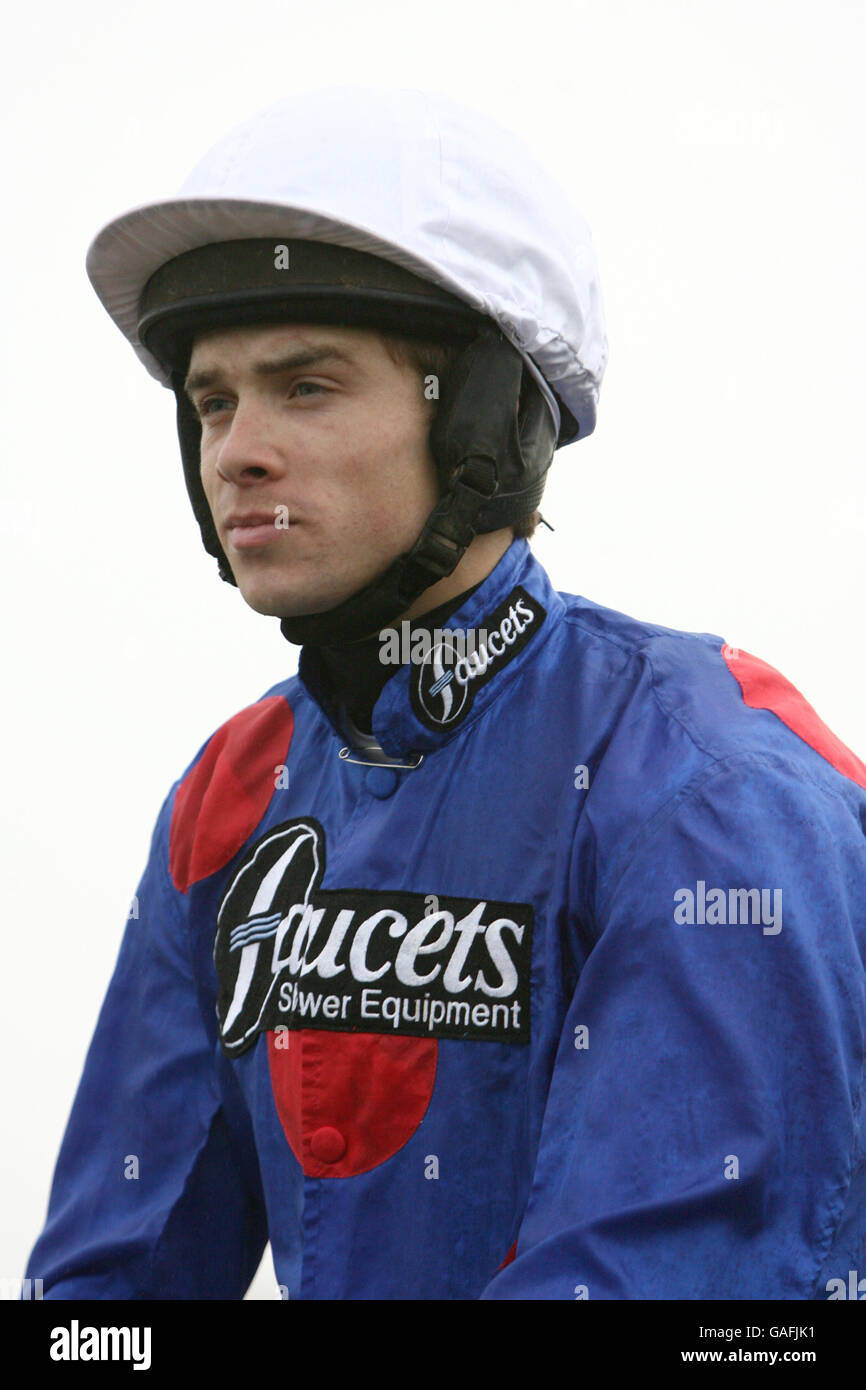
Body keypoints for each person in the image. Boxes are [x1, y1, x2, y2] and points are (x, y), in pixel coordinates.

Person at [26, 86, 866, 1301]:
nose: (236, 449)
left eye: (304, 386)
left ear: (483, 423)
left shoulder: (708, 784)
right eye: (212, 401)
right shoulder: (230, 792)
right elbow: (106, 1303)